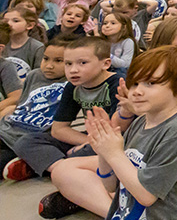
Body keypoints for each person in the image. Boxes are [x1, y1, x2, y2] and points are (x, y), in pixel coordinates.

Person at [86, 45, 177, 220]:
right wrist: (103, 152)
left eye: (150, 83)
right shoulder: (140, 122)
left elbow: (147, 195)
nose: (137, 91)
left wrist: (115, 154)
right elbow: (111, 185)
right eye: (135, 83)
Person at [4, 36, 120, 182]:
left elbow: (120, 129)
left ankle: (46, 164)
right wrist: (86, 141)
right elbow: (59, 129)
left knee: (87, 152)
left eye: (82, 63)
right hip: (92, 138)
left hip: (116, 141)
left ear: (106, 64)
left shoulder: (118, 83)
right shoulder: (73, 86)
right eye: (68, 64)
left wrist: (91, 145)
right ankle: (61, 166)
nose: (73, 70)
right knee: (26, 141)